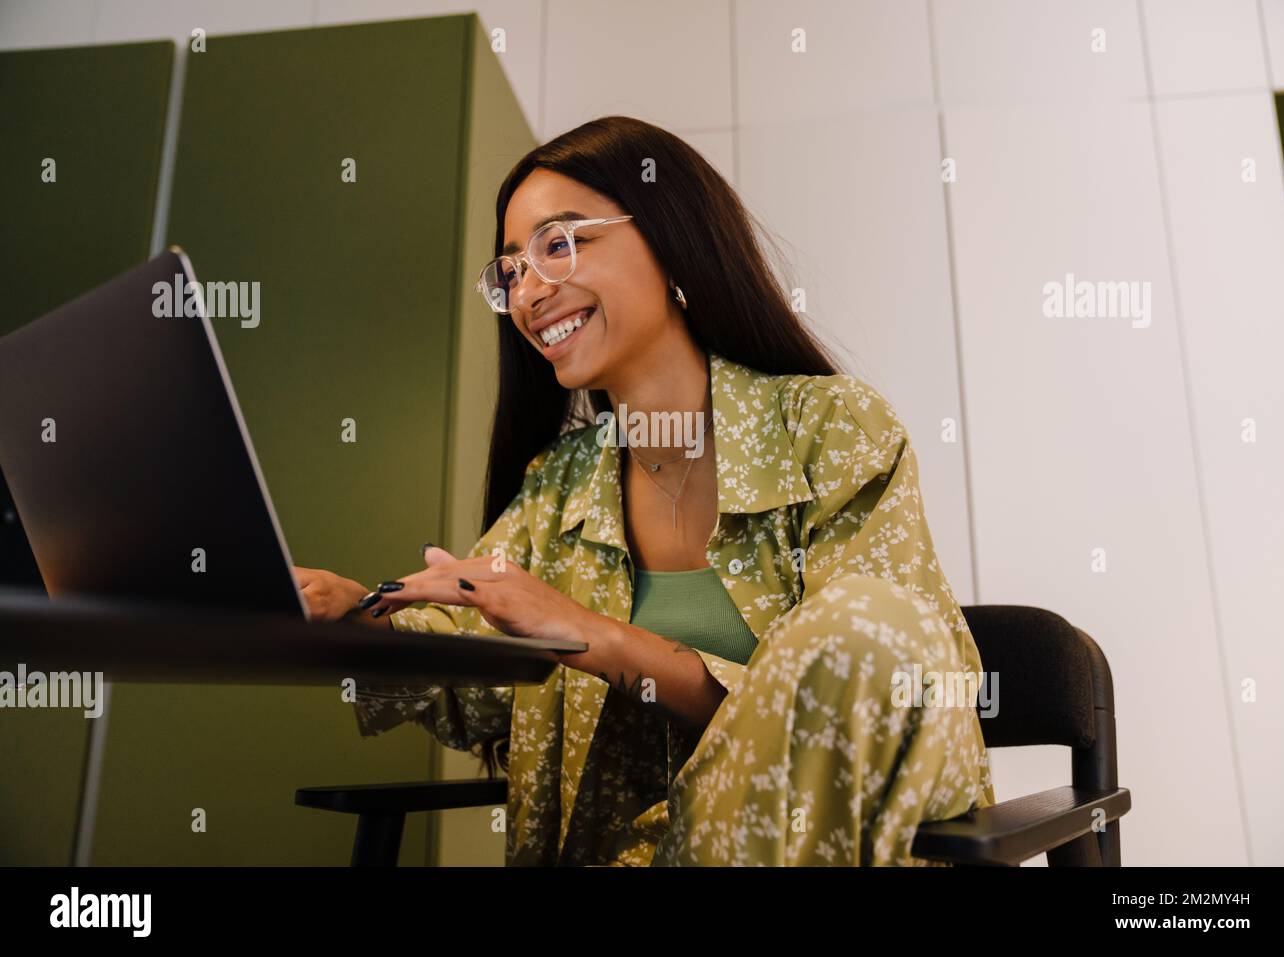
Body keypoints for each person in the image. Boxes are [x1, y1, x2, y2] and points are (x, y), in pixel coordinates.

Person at [293, 115, 996, 866]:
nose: (529, 291)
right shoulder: (556, 489)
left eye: (558, 245)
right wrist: (351, 613)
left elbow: (877, 672)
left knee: (872, 621)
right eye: (511, 270)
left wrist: (588, 634)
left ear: (670, 242)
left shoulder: (833, 430)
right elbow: (473, 676)